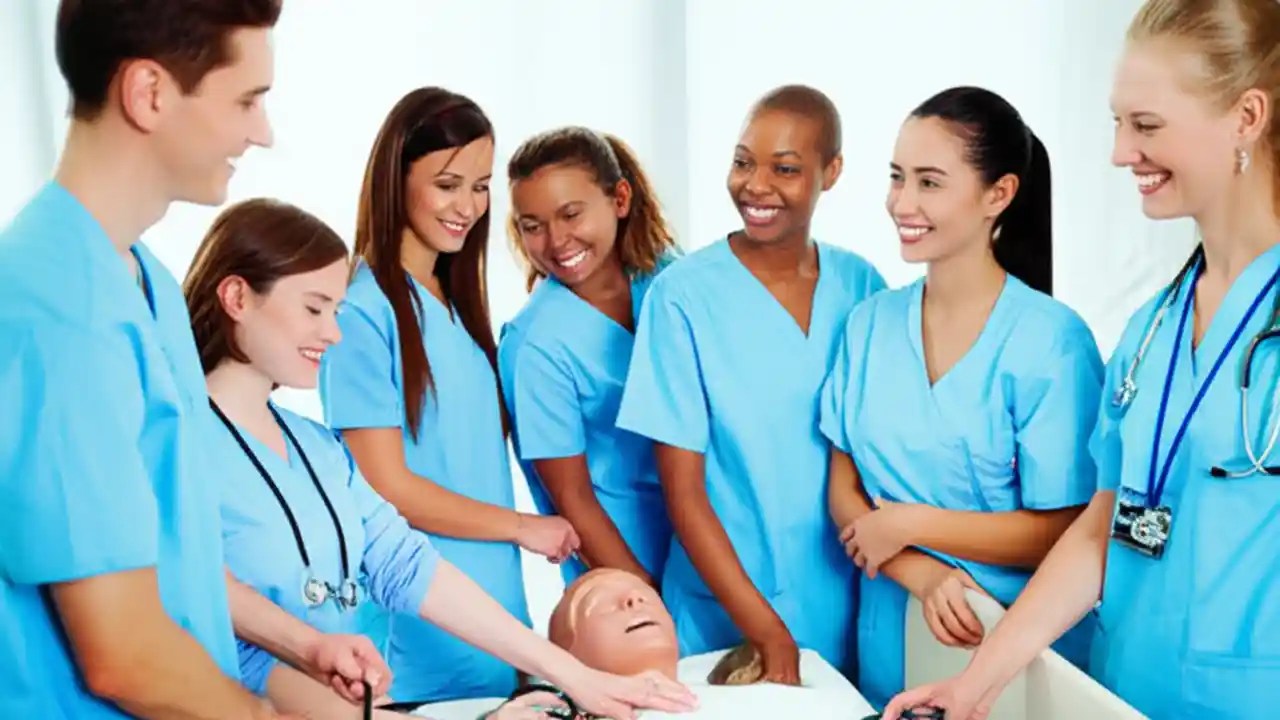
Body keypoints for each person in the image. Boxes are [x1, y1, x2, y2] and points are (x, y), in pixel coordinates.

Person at [884, 1, 1280, 718]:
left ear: (1246, 117)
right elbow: (1101, 527)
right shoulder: (1151, 330)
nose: (1120, 153)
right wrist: (976, 685)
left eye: (1147, 125)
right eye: (1118, 123)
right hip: (1119, 689)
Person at [0, 2, 379, 717]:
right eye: (247, 100)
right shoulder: (54, 306)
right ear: (149, 94)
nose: (262, 132)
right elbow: (125, 654)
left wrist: (305, 643)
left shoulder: (146, 285)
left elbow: (174, 559)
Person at [184, 198, 698, 719]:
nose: (334, 333)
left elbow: (406, 568)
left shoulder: (317, 450)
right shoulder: (172, 445)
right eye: (314, 309)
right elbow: (222, 634)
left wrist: (572, 675)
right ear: (237, 297)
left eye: (336, 312)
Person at [820, 86, 1103, 710]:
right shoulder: (869, 324)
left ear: (998, 195)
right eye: (897, 177)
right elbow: (844, 490)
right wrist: (918, 572)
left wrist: (910, 525)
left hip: (1009, 638)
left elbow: (1070, 531)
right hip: (893, 619)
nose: (902, 203)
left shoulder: (1052, 342)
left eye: (929, 182)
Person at [616, 84, 887, 684]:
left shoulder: (863, 287)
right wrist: (766, 631)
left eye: (785, 169)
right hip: (725, 616)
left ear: (832, 172)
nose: (755, 186)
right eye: (743, 162)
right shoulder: (682, 297)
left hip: (845, 607)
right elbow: (682, 494)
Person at [318, 86, 579, 702]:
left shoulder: (455, 311)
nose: (469, 205)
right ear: (396, 179)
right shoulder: (363, 313)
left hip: (493, 633)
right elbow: (385, 487)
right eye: (447, 183)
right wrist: (524, 527)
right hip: (418, 651)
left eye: (481, 185)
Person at [499, 126, 680, 588]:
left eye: (571, 214)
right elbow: (571, 498)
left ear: (620, 199)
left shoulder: (670, 281)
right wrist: (645, 596)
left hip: (709, 551)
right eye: (532, 226)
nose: (556, 241)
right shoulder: (535, 345)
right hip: (625, 565)